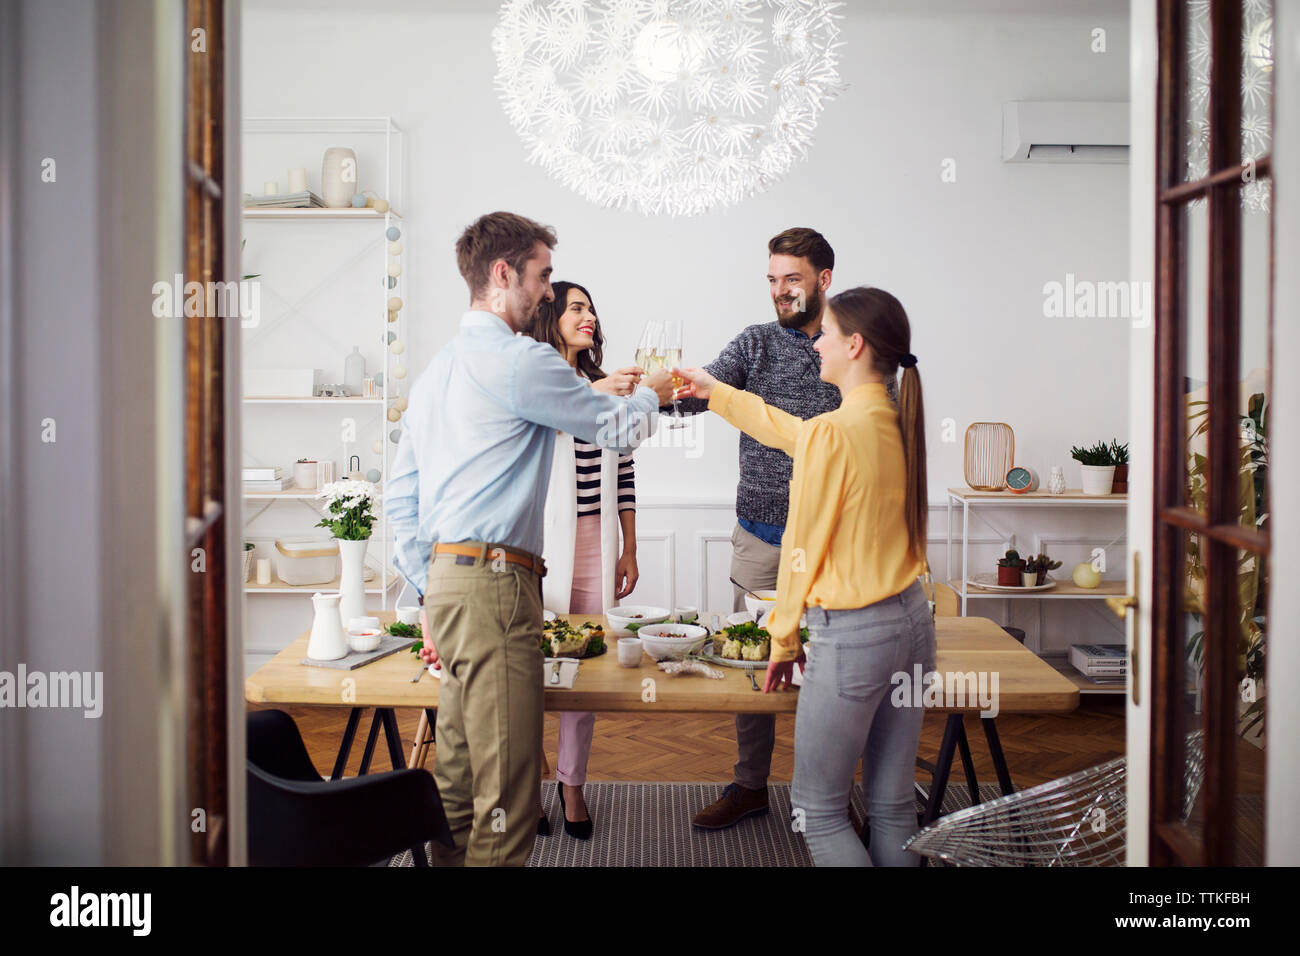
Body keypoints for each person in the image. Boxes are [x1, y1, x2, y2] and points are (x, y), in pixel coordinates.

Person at [385, 212, 674, 866]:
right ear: (502, 273)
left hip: (451, 587)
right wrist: (654, 393)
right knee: (509, 801)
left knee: (459, 784)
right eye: (543, 276)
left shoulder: (438, 372)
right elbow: (619, 431)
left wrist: (430, 589)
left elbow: (400, 496)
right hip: (495, 591)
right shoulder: (523, 360)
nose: (549, 292)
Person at [674, 285, 933, 866]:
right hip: (913, 623)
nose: (818, 343)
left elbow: (801, 549)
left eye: (828, 334)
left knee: (819, 812)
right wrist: (719, 393)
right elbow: (794, 433)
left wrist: (783, 639)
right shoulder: (893, 419)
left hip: (855, 637)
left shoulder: (836, 432)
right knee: (892, 806)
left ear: (855, 345)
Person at [671, 227, 857, 831]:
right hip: (759, 536)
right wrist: (651, 390)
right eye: (772, 280)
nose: (779, 291)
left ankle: (827, 797)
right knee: (756, 668)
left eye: (792, 279)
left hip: (833, 540)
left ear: (823, 280)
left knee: (832, 670)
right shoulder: (754, 344)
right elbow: (703, 393)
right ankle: (750, 786)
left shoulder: (851, 348)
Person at [529, 280, 645, 839]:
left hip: (595, 541)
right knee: (528, 668)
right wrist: (603, 394)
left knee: (585, 667)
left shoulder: (602, 388)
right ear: (549, 314)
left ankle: (572, 786)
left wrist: (630, 545)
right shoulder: (535, 380)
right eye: (577, 306)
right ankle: (525, 786)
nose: (590, 316)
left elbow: (623, 471)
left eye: (592, 308)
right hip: (541, 542)